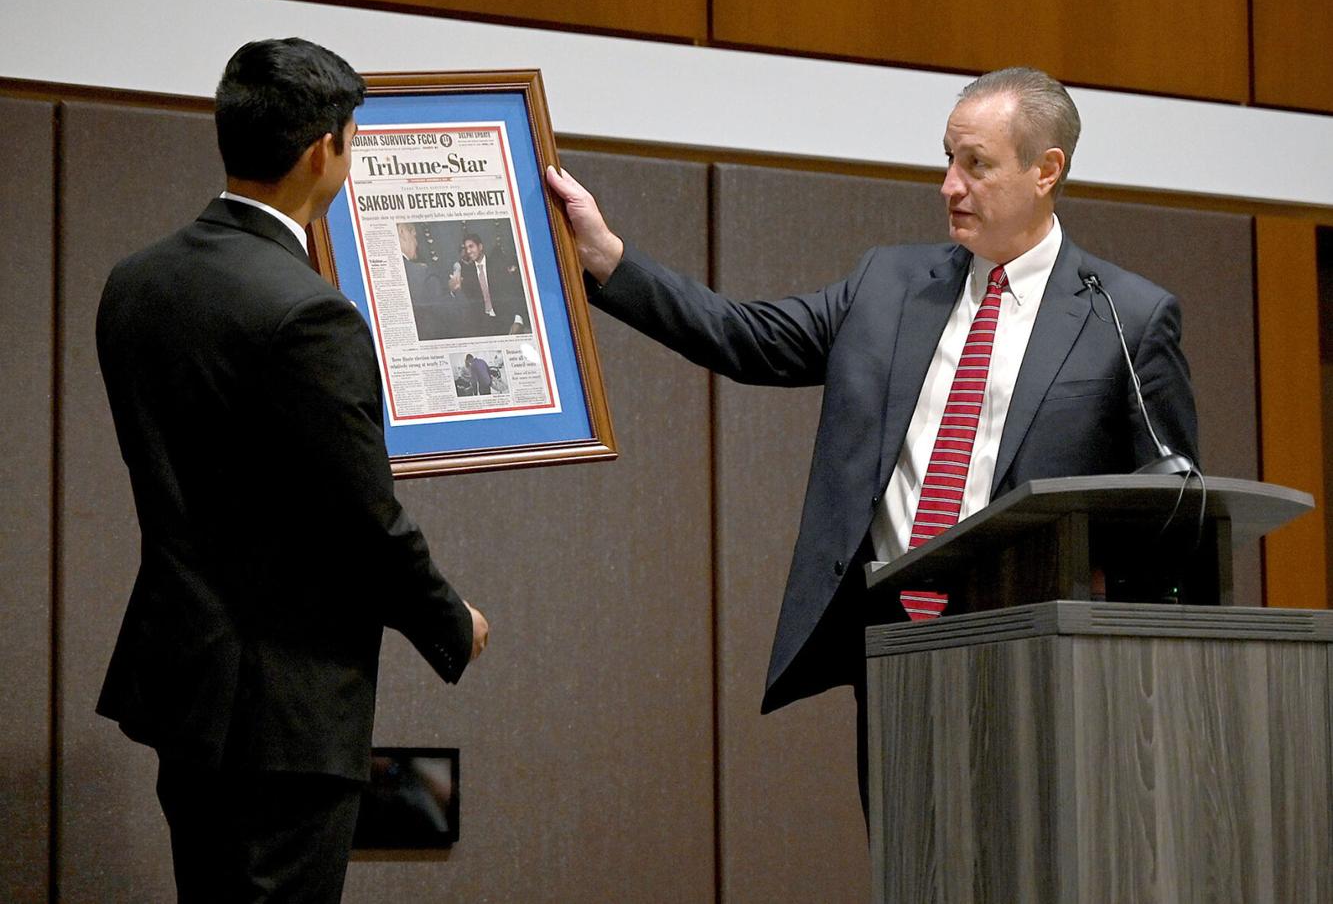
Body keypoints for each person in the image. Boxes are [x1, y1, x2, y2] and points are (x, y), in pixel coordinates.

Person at [546, 66, 1199, 812]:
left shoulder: (1126, 315)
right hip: (892, 649)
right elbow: (744, 336)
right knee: (906, 867)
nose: (949, 185)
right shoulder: (887, 285)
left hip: (1037, 661)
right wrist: (607, 258)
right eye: (946, 159)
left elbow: (1168, 514)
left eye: (975, 164)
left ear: (1045, 170)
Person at [95, 38, 489, 902]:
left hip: (185, 687)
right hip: (286, 707)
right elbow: (363, 515)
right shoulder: (310, 312)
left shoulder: (135, 283)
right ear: (325, 150)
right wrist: (449, 620)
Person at [450, 232, 528, 335]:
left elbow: (514, 291)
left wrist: (518, 320)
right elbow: (467, 300)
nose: (468, 251)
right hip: (483, 325)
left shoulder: (498, 264)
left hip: (505, 320)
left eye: (471, 246)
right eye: (466, 248)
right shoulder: (467, 272)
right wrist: (454, 291)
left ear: (480, 246)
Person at [398, 221, 453, 340]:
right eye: (414, 236)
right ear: (402, 231)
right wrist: (454, 291)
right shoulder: (421, 273)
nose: (417, 243)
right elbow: (449, 317)